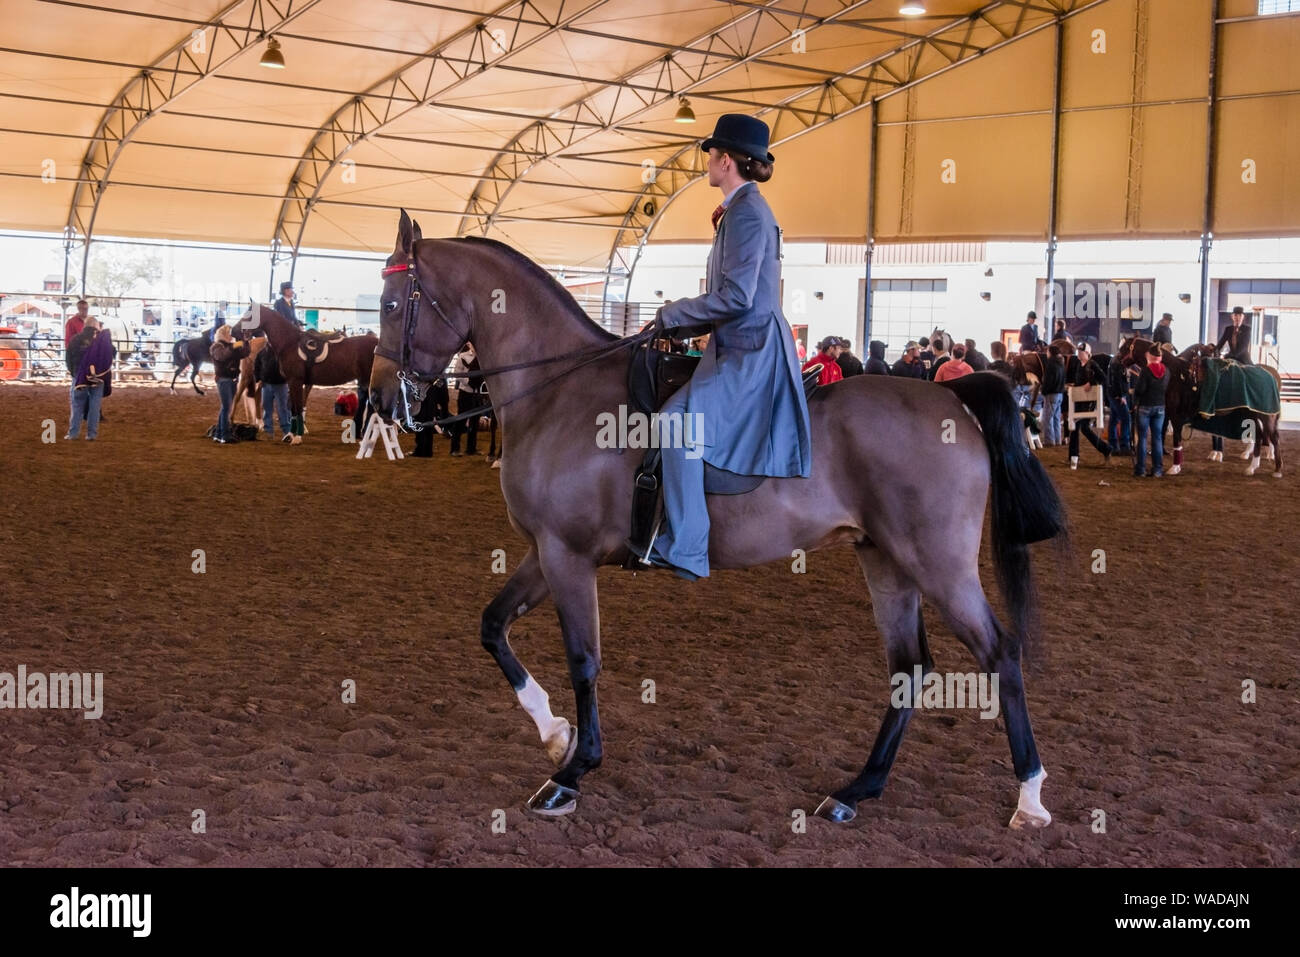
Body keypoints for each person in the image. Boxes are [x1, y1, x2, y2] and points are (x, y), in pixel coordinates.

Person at [643, 113, 812, 580]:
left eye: (713, 155)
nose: (709, 162)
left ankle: (689, 546)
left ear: (728, 161)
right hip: (735, 343)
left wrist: (671, 314)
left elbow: (737, 297)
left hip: (750, 348)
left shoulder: (748, 214)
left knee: (676, 425)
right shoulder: (740, 211)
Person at [1064, 340, 1112, 469]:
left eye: (1081, 352)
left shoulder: (1092, 364)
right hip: (1079, 400)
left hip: (1088, 402)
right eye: (1078, 351)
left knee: (1080, 427)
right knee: (1077, 427)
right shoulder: (1079, 365)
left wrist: (1091, 383)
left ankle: (1103, 449)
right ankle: (1074, 456)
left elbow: (1103, 378)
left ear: (1087, 353)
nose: (1079, 354)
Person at [65, 318, 110, 440]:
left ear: (85, 326)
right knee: (94, 406)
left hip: (80, 377)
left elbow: (68, 358)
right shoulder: (102, 341)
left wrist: (74, 374)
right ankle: (91, 434)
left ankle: (73, 433)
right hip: (97, 378)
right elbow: (109, 356)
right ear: (97, 327)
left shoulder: (75, 339)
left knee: (77, 404)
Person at [1131, 345, 1168, 478]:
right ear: (1160, 357)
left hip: (1145, 407)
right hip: (1160, 407)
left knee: (1142, 438)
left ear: (1149, 356)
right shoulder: (1166, 371)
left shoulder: (1146, 371)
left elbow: (1140, 389)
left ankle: (1141, 469)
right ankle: (1157, 469)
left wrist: (1134, 400)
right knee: (1157, 438)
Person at [209, 325, 250, 444]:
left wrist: (245, 341)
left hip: (231, 379)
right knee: (227, 407)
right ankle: (225, 435)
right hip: (224, 379)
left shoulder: (230, 347)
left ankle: (219, 434)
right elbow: (222, 356)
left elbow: (245, 353)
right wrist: (235, 345)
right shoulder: (216, 347)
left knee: (225, 407)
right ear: (224, 334)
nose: (231, 336)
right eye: (229, 333)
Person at [254, 340, 291, 440]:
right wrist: (258, 379)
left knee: (282, 408)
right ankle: (268, 431)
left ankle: (287, 431)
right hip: (266, 385)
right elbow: (256, 367)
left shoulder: (283, 352)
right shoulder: (262, 353)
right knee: (267, 408)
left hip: (281, 385)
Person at [1105, 340, 1134, 454]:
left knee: (1114, 419)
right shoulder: (1118, 362)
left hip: (1113, 394)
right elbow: (1117, 380)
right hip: (1117, 395)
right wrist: (1121, 395)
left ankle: (1113, 446)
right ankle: (1124, 446)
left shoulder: (1115, 360)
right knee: (1126, 419)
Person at [1038, 345, 1067, 446]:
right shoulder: (1061, 363)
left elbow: (1048, 380)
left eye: (1047, 352)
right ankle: (1057, 440)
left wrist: (1044, 390)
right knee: (1056, 418)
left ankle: (1049, 441)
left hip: (1051, 394)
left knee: (1047, 418)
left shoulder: (1050, 363)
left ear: (1050, 352)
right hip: (1060, 393)